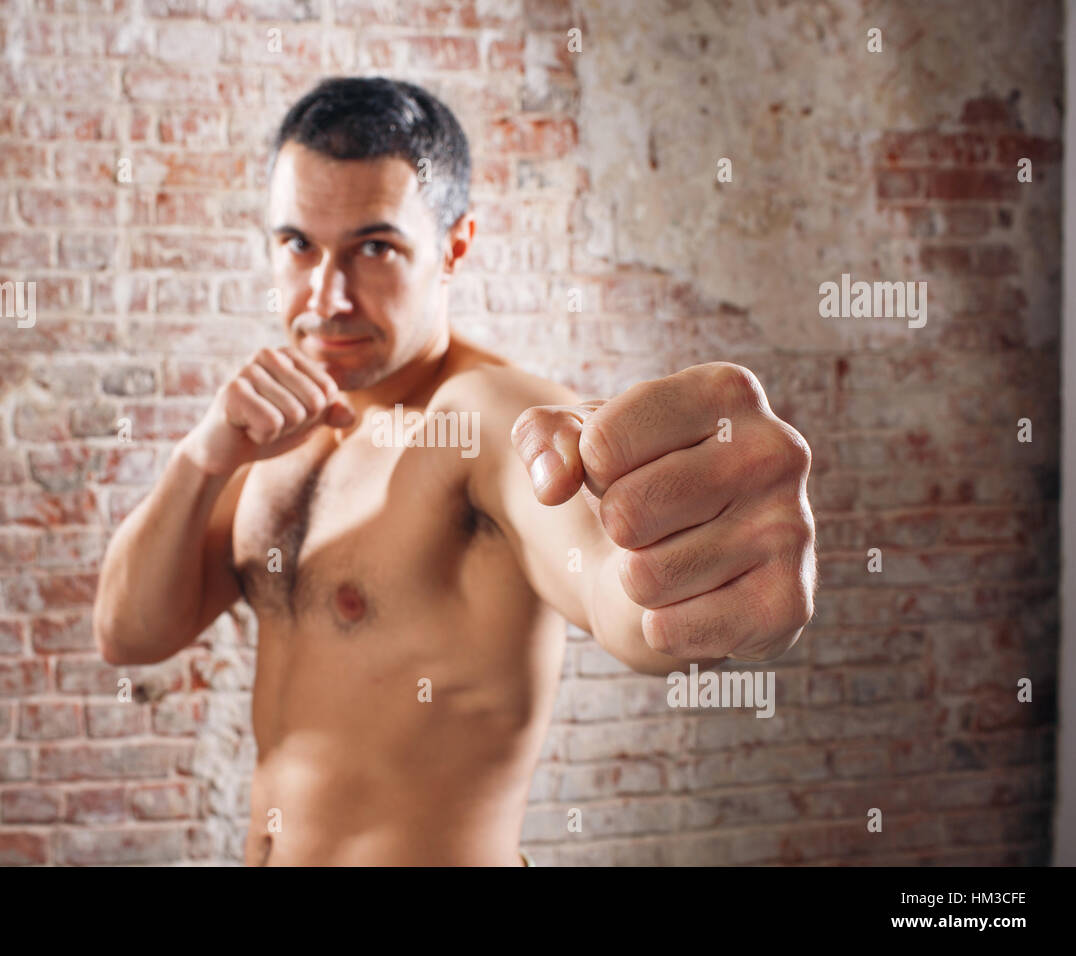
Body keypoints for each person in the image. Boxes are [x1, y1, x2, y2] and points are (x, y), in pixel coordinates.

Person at [94, 76, 817, 866]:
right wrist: (200, 459)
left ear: (455, 245)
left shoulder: (487, 418)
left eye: (375, 247)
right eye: (298, 244)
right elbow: (130, 634)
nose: (327, 297)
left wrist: (701, 580)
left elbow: (618, 593)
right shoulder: (278, 431)